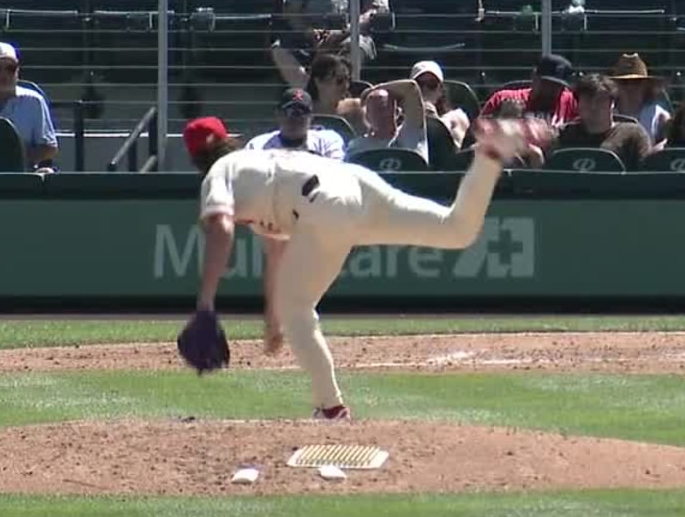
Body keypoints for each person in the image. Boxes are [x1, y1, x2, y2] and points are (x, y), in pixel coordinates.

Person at [184, 113, 549, 419]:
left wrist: (205, 303)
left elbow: (221, 227)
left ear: (195, 159)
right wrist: (273, 321)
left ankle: (330, 408)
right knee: (456, 230)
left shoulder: (220, 172)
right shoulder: (256, 163)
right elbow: (277, 251)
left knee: (297, 307)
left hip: (324, 202)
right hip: (354, 182)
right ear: (229, 138)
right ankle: (489, 155)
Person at [555, 73, 651, 169]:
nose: (593, 106)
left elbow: (646, 171)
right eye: (587, 100)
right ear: (578, 104)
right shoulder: (565, 134)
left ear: (612, 103)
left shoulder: (633, 135)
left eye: (600, 100)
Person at [246, 87, 347, 159]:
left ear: (311, 118)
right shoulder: (258, 146)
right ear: (278, 115)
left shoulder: (327, 141)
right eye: (289, 112)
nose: (295, 119)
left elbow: (335, 173)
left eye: (301, 113)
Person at [479, 53, 579, 126]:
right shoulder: (504, 98)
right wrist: (502, 121)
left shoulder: (570, 102)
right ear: (534, 77)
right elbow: (478, 132)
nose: (550, 90)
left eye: (557, 86)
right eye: (546, 83)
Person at [348, 78, 428, 160]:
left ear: (396, 112)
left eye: (383, 108)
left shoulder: (410, 134)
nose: (379, 114)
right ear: (367, 116)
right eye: (374, 110)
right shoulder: (358, 146)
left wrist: (373, 89)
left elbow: (411, 87)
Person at [609, 53, 671, 143]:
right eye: (624, 82)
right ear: (615, 86)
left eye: (636, 82)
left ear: (646, 85)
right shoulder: (606, 113)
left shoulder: (660, 117)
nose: (630, 87)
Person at [411, 59, 471, 147]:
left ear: (440, 89)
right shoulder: (401, 118)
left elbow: (456, 150)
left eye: (431, 84)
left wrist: (435, 122)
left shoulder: (456, 117)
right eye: (419, 84)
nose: (425, 89)